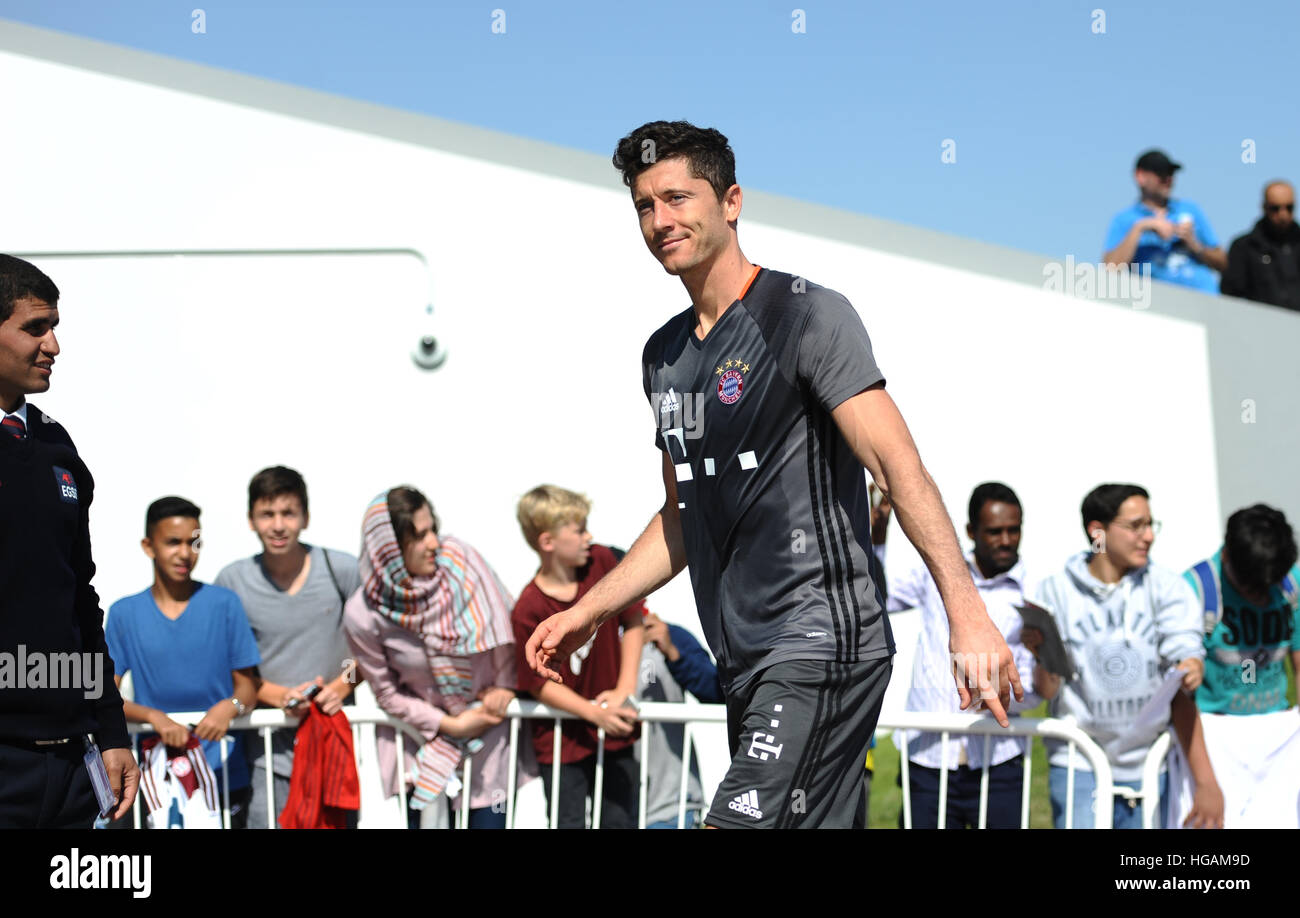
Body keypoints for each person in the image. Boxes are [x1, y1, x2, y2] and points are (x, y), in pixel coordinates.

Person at [524, 121, 1021, 830]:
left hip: (820, 640)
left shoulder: (806, 314)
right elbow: (680, 517)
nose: (660, 220)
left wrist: (967, 613)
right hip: (746, 660)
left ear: (730, 201)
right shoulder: (662, 357)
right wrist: (587, 611)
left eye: (676, 197)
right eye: (643, 205)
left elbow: (896, 466)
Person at [0, 254, 138, 828]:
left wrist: (111, 731)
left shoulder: (58, 447)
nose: (53, 345)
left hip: (72, 764)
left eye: (54, 327)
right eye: (35, 328)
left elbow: (80, 598)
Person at [1033, 483, 1223, 829]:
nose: (1148, 536)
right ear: (1098, 532)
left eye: (1151, 525)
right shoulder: (1054, 591)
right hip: (1078, 760)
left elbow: (1185, 650)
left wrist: (1191, 664)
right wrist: (1040, 653)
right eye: (1135, 525)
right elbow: (1047, 690)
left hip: (1150, 761)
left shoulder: (1167, 587)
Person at [342, 487, 519, 829]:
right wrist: (448, 725)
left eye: (432, 529)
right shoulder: (363, 614)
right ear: (388, 550)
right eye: (419, 536)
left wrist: (504, 686)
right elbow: (387, 693)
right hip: (419, 745)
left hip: (488, 740)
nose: (434, 543)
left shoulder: (461, 564)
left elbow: (503, 629)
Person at [879, 482, 1039, 829]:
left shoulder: (1035, 593)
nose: (1006, 540)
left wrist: (1002, 696)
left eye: (1014, 530)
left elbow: (1033, 689)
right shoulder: (936, 572)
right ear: (971, 531)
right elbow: (876, 598)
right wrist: (876, 537)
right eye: (995, 531)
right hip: (928, 757)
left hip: (999, 760)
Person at [215, 466, 362, 829]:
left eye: (288, 513)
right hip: (264, 752)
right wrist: (279, 696)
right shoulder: (232, 580)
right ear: (251, 520)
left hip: (332, 749)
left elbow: (374, 651)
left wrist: (343, 686)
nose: (278, 525)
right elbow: (225, 663)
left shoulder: (342, 569)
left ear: (305, 517)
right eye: (267, 514)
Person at [106, 497, 261, 827]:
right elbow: (105, 696)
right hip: (155, 778)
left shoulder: (225, 604)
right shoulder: (123, 613)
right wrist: (153, 717)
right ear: (149, 546)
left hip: (222, 772)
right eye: (173, 542)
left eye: (194, 541)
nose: (185, 553)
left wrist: (229, 707)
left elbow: (247, 687)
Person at [511, 485, 646, 828]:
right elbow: (537, 683)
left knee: (619, 821)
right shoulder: (528, 606)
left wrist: (624, 690)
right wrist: (592, 714)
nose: (589, 536)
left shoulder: (603, 560)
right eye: (579, 529)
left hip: (615, 727)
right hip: (562, 742)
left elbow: (634, 621)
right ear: (547, 542)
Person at [1185, 504, 1300, 716]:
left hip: (1277, 721)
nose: (1260, 597)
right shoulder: (1194, 590)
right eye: (1250, 587)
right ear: (1226, 556)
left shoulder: (1291, 583)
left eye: (1268, 586)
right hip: (1215, 725)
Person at [639, 609, 722, 829]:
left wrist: (674, 654)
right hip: (609, 801)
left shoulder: (668, 634)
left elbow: (717, 693)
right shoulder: (590, 641)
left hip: (672, 807)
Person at [1103, 149, 1227, 292]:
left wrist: (1194, 244)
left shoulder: (1191, 210)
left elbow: (1223, 263)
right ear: (1140, 177)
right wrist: (1141, 227)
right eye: (1161, 175)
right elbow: (1109, 270)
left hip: (1204, 301)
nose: (1169, 180)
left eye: (1171, 175)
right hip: (1158, 306)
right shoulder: (1125, 220)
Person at [1221, 181, 1300, 312]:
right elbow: (1230, 297)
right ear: (1264, 207)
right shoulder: (1243, 247)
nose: (1283, 214)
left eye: (1289, 208)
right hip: (1259, 327)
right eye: (1275, 208)